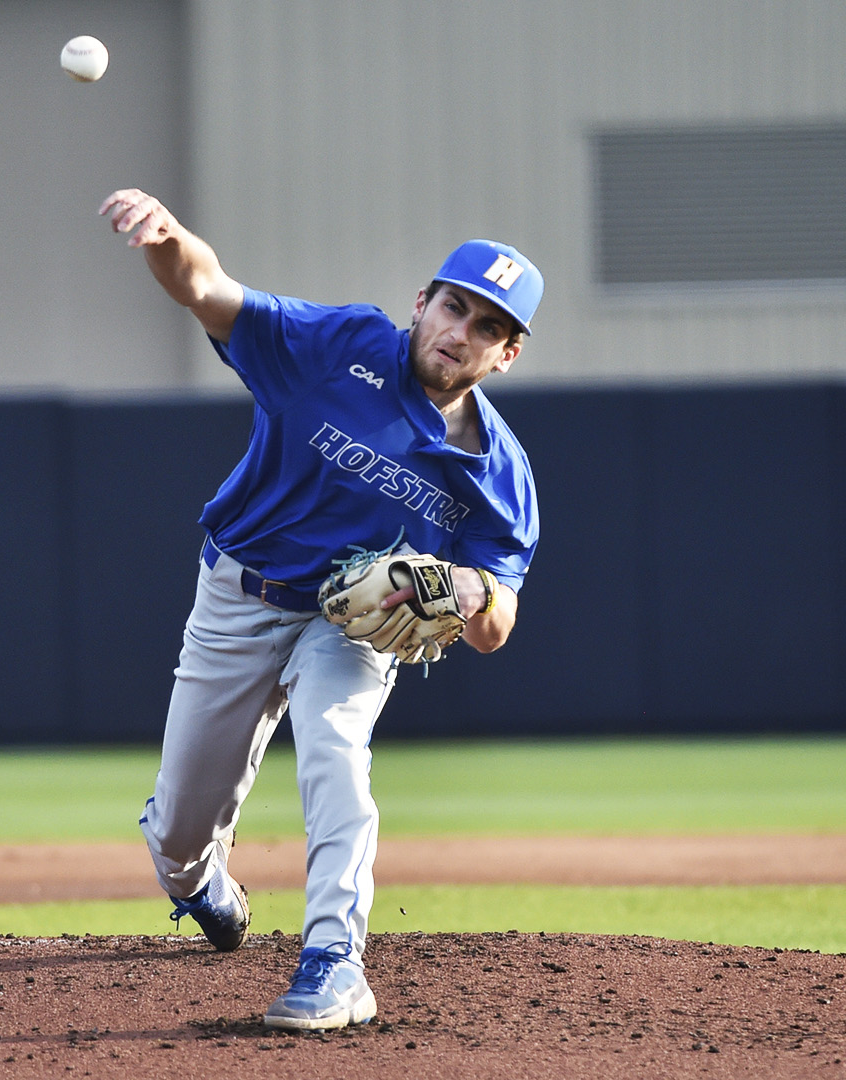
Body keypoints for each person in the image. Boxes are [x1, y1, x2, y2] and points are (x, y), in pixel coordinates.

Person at [100, 189, 541, 1030]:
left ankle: (336, 961)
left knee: (335, 751)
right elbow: (206, 288)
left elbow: (496, 622)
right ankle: (204, 882)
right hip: (238, 593)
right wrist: (166, 236)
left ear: (507, 355)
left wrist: (471, 590)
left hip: (350, 628)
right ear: (422, 303)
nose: (460, 332)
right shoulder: (335, 346)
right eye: (454, 306)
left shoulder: (495, 471)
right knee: (176, 840)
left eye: (487, 327)